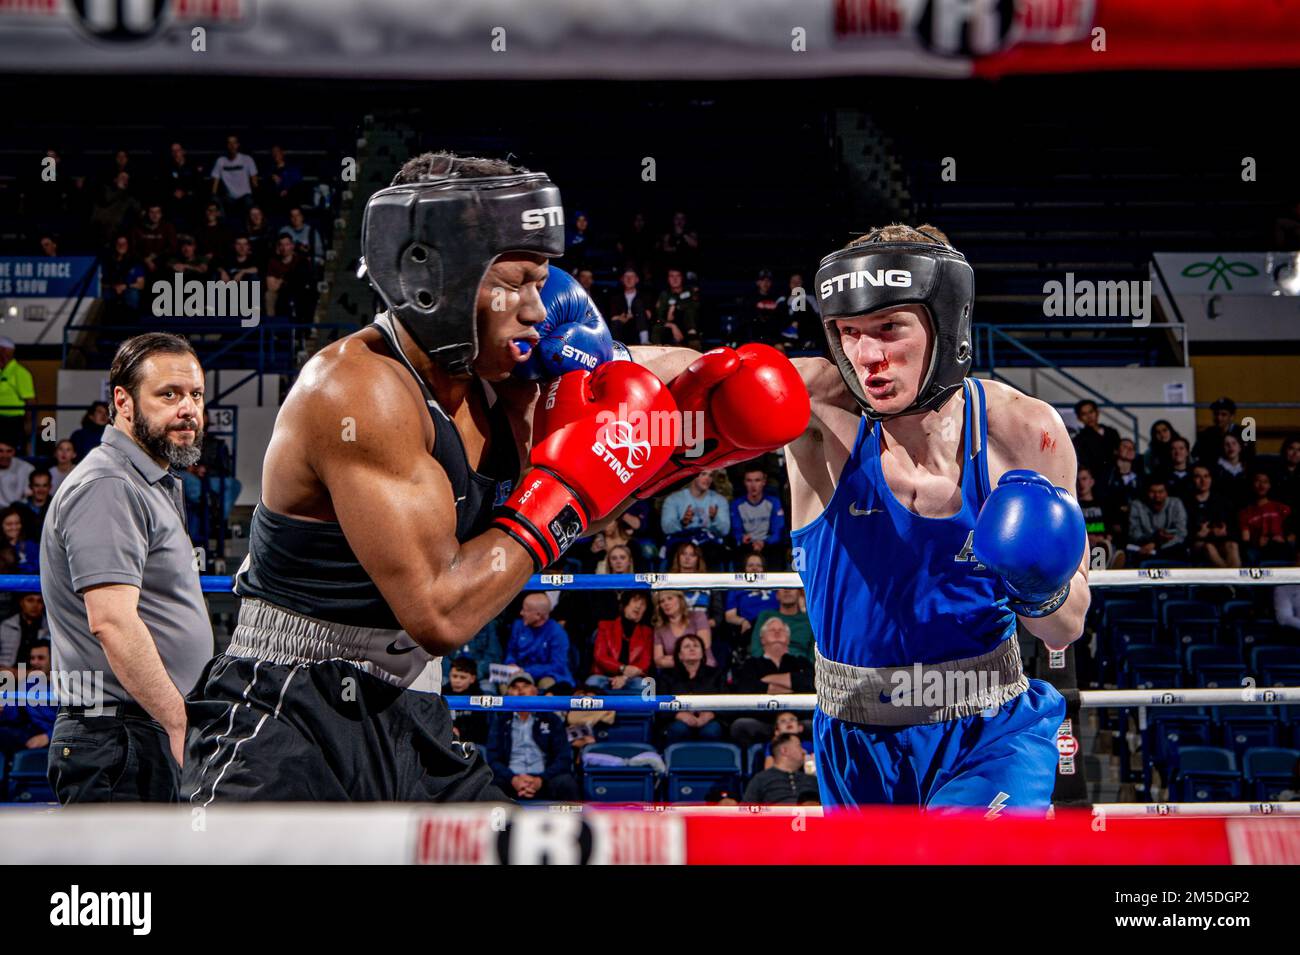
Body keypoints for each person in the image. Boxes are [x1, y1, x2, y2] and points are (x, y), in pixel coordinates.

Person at [183, 151, 800, 803]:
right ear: (436, 277)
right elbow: (441, 611)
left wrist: (710, 424)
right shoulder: (358, 391)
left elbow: (661, 379)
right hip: (288, 711)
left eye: (544, 280)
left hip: (412, 708)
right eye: (519, 280)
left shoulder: (505, 377)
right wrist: (572, 494)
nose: (540, 308)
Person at [780, 224, 1087, 811]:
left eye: (890, 328)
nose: (867, 356)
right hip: (854, 737)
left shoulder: (1024, 431)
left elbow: (1066, 628)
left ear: (945, 325)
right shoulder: (816, 409)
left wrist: (1036, 583)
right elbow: (691, 378)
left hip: (990, 731)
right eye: (849, 333)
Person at [41, 334, 215, 803]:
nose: (188, 409)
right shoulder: (109, 486)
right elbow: (113, 622)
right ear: (123, 400)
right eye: (169, 394)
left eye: (195, 394)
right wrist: (178, 723)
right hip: (123, 737)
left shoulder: (147, 482)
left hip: (140, 732)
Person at [485, 672, 578, 801]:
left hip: (545, 777)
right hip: (510, 778)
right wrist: (513, 779)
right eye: (515, 687)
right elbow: (493, 759)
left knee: (566, 783)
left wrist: (541, 779)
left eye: (525, 686)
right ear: (508, 694)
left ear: (535, 691)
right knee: (489, 786)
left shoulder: (551, 719)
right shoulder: (501, 722)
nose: (520, 691)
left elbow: (563, 757)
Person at [730, 617, 815, 750]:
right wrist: (792, 686)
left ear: (788, 638)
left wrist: (767, 681)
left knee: (817, 726)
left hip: (799, 722)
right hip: (764, 722)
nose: (777, 633)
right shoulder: (751, 664)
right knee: (740, 726)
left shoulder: (801, 662)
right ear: (762, 639)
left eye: (781, 630)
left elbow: (810, 684)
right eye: (772, 630)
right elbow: (747, 689)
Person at [657, 632, 725, 743]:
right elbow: (661, 704)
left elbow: (725, 700)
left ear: (702, 653)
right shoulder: (667, 676)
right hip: (677, 720)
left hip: (709, 719)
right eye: (687, 646)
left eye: (696, 646)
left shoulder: (716, 674)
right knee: (679, 729)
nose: (692, 649)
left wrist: (710, 714)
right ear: (679, 655)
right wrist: (679, 715)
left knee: (712, 731)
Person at [506, 592, 574, 692]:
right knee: (505, 686)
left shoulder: (557, 633)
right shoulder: (518, 626)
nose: (521, 613)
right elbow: (511, 651)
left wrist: (528, 671)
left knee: (546, 684)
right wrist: (510, 663)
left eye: (525, 610)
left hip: (548, 674)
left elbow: (557, 665)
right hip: (519, 674)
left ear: (538, 615)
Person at [587, 591, 653, 693]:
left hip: (632, 678)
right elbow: (600, 656)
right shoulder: (605, 626)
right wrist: (622, 668)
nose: (639, 606)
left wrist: (625, 677)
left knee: (647, 686)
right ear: (625, 605)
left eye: (643, 604)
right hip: (605, 676)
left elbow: (645, 662)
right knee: (592, 682)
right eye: (635, 601)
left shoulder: (647, 632)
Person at [0, 641, 55, 759]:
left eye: (40, 658)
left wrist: (48, 736)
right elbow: (14, 712)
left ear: (53, 659)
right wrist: (2, 710)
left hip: (58, 735)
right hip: (31, 730)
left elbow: (75, 721)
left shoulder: (66, 686)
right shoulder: (29, 684)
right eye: (32, 658)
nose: (35, 662)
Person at [730, 467, 787, 567]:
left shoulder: (773, 502)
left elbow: (778, 530)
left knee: (778, 550)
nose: (753, 485)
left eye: (757, 480)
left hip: (768, 545)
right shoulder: (737, 504)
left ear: (764, 482)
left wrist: (764, 542)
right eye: (749, 480)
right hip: (747, 546)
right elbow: (736, 530)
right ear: (744, 482)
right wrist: (741, 537)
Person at [743, 733, 821, 805]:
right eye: (799, 746)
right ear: (785, 751)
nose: (804, 751)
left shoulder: (812, 779)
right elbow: (746, 811)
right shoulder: (760, 779)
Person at [1238, 471, 1294, 564]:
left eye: (1265, 482)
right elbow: (1246, 539)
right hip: (1258, 549)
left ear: (1270, 485)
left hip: (1282, 546)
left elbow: (1293, 533)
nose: (1261, 485)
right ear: (1252, 484)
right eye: (1258, 481)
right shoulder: (1244, 513)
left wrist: (1285, 539)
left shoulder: (1282, 508)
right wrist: (1256, 541)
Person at [651, 590, 714, 670]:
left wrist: (674, 658)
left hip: (704, 669)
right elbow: (658, 660)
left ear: (680, 599)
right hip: (675, 673)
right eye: (661, 601)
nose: (666, 603)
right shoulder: (660, 627)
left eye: (670, 598)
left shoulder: (699, 617)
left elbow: (703, 647)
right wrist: (687, 658)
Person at [724, 552, 779, 640]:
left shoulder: (774, 585)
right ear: (745, 568)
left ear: (763, 569)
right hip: (751, 627)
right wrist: (742, 621)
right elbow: (729, 616)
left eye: (758, 565)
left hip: (776, 624)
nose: (754, 568)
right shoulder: (736, 588)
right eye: (750, 565)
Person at [750, 588, 814, 661]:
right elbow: (755, 648)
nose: (787, 590)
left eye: (792, 587)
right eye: (782, 587)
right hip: (766, 664)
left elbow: (813, 655)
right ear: (777, 595)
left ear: (799, 593)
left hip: (800, 666)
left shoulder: (809, 621)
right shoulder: (765, 616)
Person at [1194, 396, 1253, 467]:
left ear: (1232, 417)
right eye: (1216, 414)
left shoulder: (1245, 434)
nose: (1219, 418)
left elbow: (1250, 458)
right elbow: (1196, 454)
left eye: (1223, 414)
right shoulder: (1206, 434)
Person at [210, 134, 259, 218]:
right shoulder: (220, 161)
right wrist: (214, 198)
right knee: (215, 201)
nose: (232, 146)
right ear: (226, 145)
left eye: (234, 143)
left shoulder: (247, 159)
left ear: (238, 145)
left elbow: (255, 182)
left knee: (249, 201)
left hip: (245, 196)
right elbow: (215, 184)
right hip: (229, 198)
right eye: (229, 143)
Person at [1071, 399, 1120, 483]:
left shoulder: (1111, 432)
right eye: (1084, 414)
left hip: (1117, 477)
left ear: (1097, 412)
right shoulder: (1079, 439)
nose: (1089, 417)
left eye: (1091, 412)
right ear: (1079, 418)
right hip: (1097, 481)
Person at [0, 337, 35, 453]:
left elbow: (30, 400)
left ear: (5, 351)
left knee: (11, 451)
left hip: (13, 421)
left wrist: (28, 422)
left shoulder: (20, 373)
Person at [652, 267, 702, 349]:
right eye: (671, 276)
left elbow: (696, 306)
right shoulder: (664, 295)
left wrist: (676, 308)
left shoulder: (690, 291)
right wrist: (672, 325)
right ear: (668, 279)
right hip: (671, 326)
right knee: (657, 328)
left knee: (690, 311)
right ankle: (657, 350)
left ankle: (693, 341)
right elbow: (658, 317)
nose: (675, 279)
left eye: (678, 276)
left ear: (682, 278)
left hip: (689, 327)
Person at [444, 657, 489, 746]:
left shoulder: (479, 697)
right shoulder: (441, 694)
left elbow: (481, 730)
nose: (457, 681)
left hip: (473, 743)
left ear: (472, 679)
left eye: (462, 677)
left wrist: (461, 735)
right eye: (454, 676)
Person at [0, 592, 48, 668]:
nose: (35, 605)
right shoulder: (6, 626)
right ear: (21, 602)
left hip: (39, 674)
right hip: (8, 674)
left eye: (39, 601)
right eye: (30, 600)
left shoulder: (49, 628)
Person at [607, 266, 652, 347]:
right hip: (623, 328)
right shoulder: (616, 298)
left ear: (637, 280)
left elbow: (649, 315)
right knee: (616, 323)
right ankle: (615, 347)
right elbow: (612, 317)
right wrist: (621, 318)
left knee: (638, 304)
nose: (629, 279)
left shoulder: (644, 297)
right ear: (622, 280)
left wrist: (634, 315)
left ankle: (644, 341)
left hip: (638, 327)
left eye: (632, 277)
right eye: (626, 277)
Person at [16, 468, 52, 537]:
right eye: (37, 485)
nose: (41, 490)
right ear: (30, 487)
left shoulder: (56, 508)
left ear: (50, 487)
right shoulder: (18, 508)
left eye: (44, 485)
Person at [1, 506, 38, 574]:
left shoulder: (31, 546)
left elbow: (38, 569)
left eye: (17, 523)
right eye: (9, 524)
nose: (14, 527)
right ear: (1, 526)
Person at [0, 440, 33, 506]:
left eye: (9, 451)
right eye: (0, 451)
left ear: (14, 452)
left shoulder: (27, 468)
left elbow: (30, 495)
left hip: (19, 510)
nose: (4, 455)